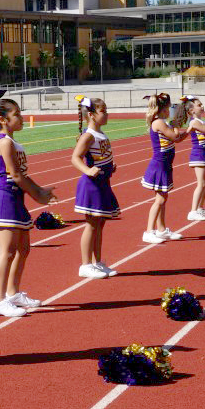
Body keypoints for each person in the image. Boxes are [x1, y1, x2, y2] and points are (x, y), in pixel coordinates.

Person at [0, 99, 56, 317]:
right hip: (6, 200)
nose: (22, 117)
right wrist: (38, 195)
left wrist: (39, 189)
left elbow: (22, 175)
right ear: (3, 120)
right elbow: (15, 176)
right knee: (6, 253)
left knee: (23, 249)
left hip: (17, 201)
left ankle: (13, 293)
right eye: (16, 114)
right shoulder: (4, 142)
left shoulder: (13, 143)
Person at [71, 96, 119, 279]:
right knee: (91, 225)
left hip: (103, 183)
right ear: (91, 115)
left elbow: (102, 156)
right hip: (91, 185)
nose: (107, 114)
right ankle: (85, 264)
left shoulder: (100, 134)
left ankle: (97, 262)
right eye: (103, 111)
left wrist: (110, 167)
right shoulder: (88, 135)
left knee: (100, 224)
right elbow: (75, 157)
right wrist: (87, 170)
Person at [140, 93, 188, 244]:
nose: (170, 110)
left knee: (163, 198)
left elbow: (174, 135)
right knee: (160, 199)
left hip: (165, 164)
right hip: (159, 165)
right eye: (168, 107)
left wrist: (174, 125)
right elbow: (176, 138)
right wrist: (189, 129)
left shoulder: (163, 122)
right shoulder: (159, 122)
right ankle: (148, 231)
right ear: (163, 109)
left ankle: (161, 229)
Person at [180, 95, 205, 221]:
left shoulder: (202, 122)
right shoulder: (194, 122)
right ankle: (192, 211)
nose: (202, 106)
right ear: (191, 111)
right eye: (199, 105)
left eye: (201, 104)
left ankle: (199, 208)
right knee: (201, 183)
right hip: (198, 155)